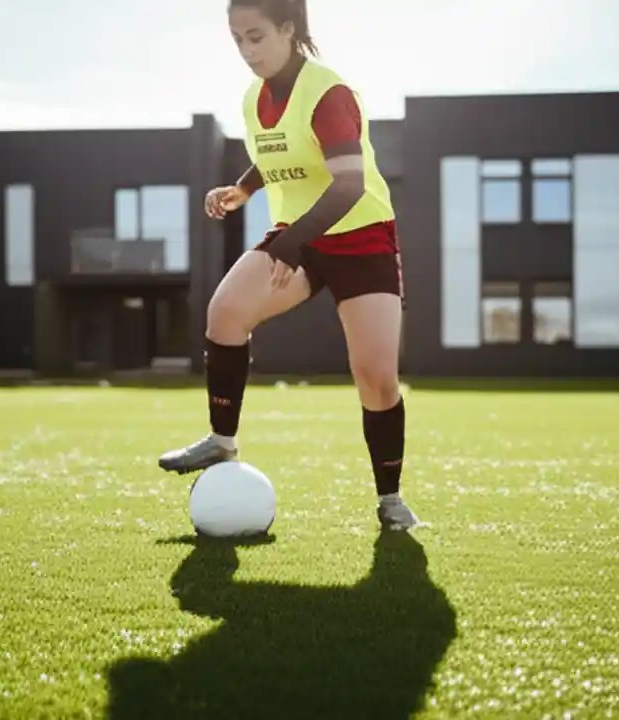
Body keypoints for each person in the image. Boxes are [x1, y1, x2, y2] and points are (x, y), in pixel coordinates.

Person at [158, 0, 418, 531]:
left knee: (376, 378)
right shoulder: (255, 99)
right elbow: (282, 153)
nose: (247, 51)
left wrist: (291, 244)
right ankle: (222, 442)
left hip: (361, 237)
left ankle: (391, 500)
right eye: (237, 40)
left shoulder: (329, 94)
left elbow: (347, 184)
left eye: (256, 37)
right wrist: (243, 189)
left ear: (287, 29)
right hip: (298, 235)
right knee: (226, 312)